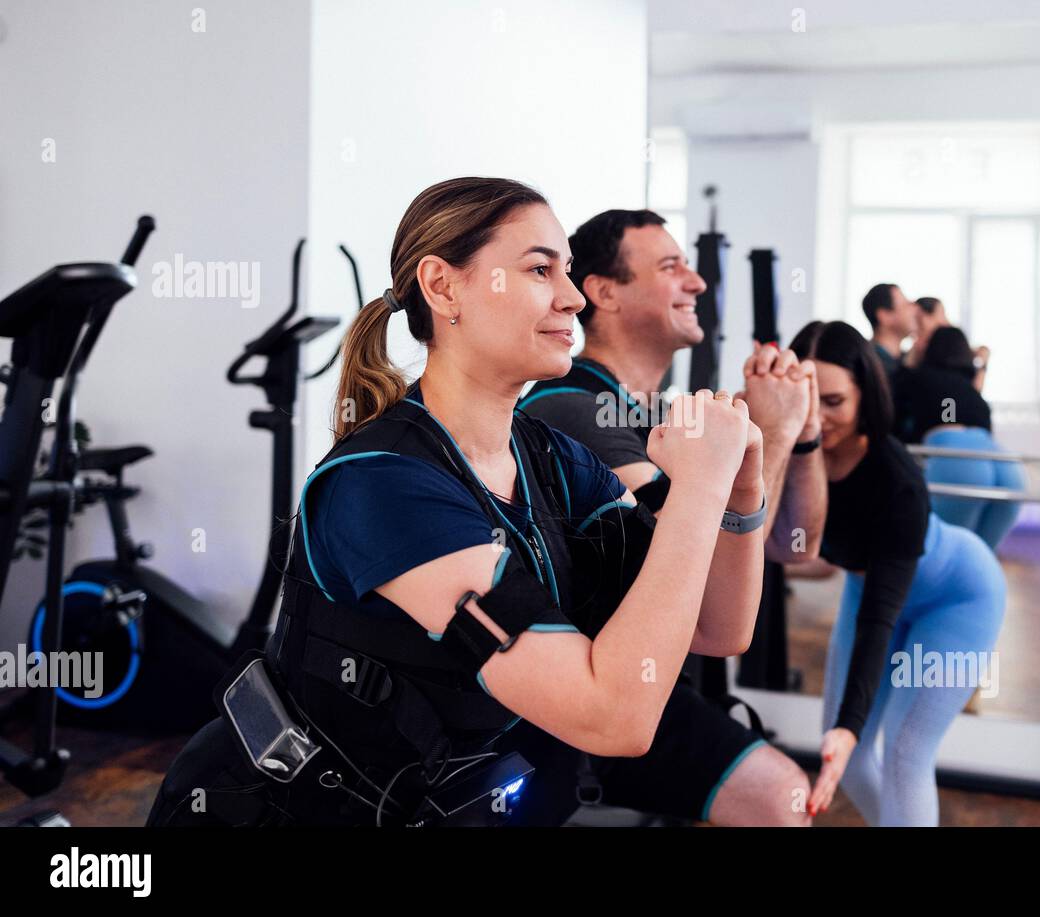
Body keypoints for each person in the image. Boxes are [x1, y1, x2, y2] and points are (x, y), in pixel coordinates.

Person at [147, 178, 770, 827]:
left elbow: (716, 628)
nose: (571, 295)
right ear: (444, 287)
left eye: (567, 270)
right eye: (539, 269)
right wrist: (699, 488)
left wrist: (741, 487)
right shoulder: (382, 484)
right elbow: (612, 716)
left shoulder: (556, 461)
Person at [518, 208, 821, 826]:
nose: (698, 282)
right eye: (670, 266)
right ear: (604, 292)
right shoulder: (576, 411)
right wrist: (772, 434)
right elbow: (707, 577)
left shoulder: (650, 412)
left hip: (668, 674)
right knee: (781, 795)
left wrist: (802, 436)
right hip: (595, 701)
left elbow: (796, 546)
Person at [790, 320, 1006, 826]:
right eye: (806, 397)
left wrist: (849, 723)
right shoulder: (794, 452)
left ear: (865, 393)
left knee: (906, 752)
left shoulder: (896, 481)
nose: (817, 417)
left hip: (956, 596)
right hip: (866, 591)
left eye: (834, 401)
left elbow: (877, 621)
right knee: (845, 755)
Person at [894, 326, 1024, 551]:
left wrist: (910, 360)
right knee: (980, 555)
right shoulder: (970, 389)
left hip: (958, 458)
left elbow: (894, 394)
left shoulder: (919, 377)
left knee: (943, 552)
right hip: (1005, 464)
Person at [906, 296, 989, 390]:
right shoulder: (920, 347)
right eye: (941, 313)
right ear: (925, 317)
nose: (946, 321)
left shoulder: (948, 344)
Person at [861, 282, 917, 379]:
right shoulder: (867, 364)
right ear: (884, 316)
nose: (914, 309)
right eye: (906, 305)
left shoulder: (907, 359)